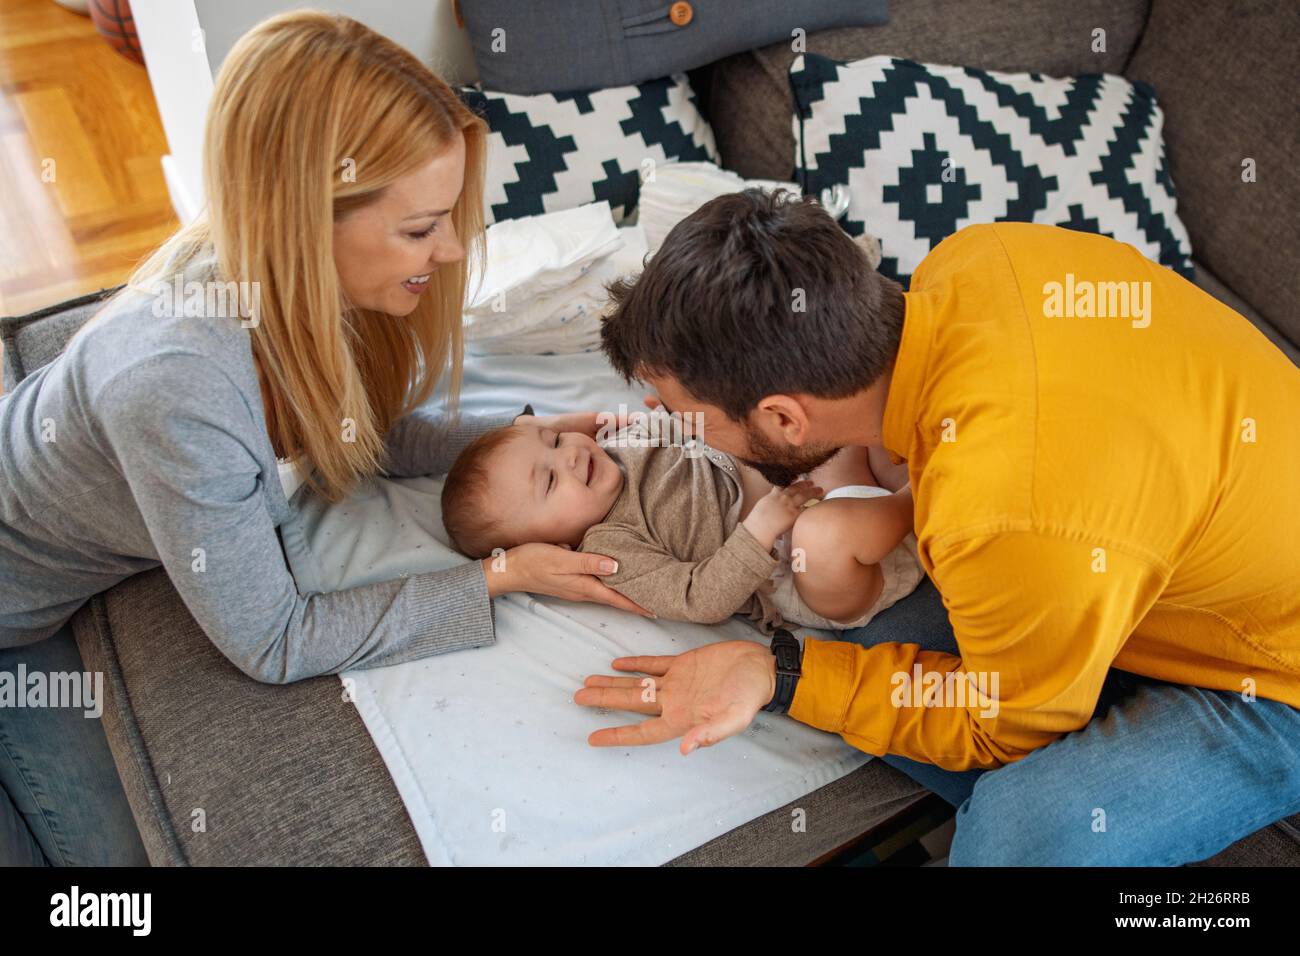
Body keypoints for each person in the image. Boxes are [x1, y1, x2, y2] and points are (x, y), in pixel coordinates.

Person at [0, 11, 646, 867]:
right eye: (420, 228)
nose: (451, 250)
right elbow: (275, 640)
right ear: (307, 220)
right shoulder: (177, 386)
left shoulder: (284, 289)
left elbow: (351, 437)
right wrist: (497, 576)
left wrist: (520, 435)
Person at [573, 188, 1300, 865]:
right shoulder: (978, 256)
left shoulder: (998, 506)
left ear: (785, 418)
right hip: (1168, 553)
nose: (677, 433)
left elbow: (1002, 725)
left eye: (687, 417)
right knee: (862, 619)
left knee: (1019, 835)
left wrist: (778, 673)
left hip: (1273, 675)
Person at [439, 415, 922, 632]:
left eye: (553, 439)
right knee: (825, 535)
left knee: (837, 416)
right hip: (806, 569)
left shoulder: (620, 440)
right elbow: (698, 600)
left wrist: (682, 413)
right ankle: (923, 496)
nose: (569, 456)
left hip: (811, 487)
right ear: (550, 546)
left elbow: (689, 430)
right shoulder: (611, 551)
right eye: (547, 482)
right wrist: (761, 528)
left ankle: (920, 467)